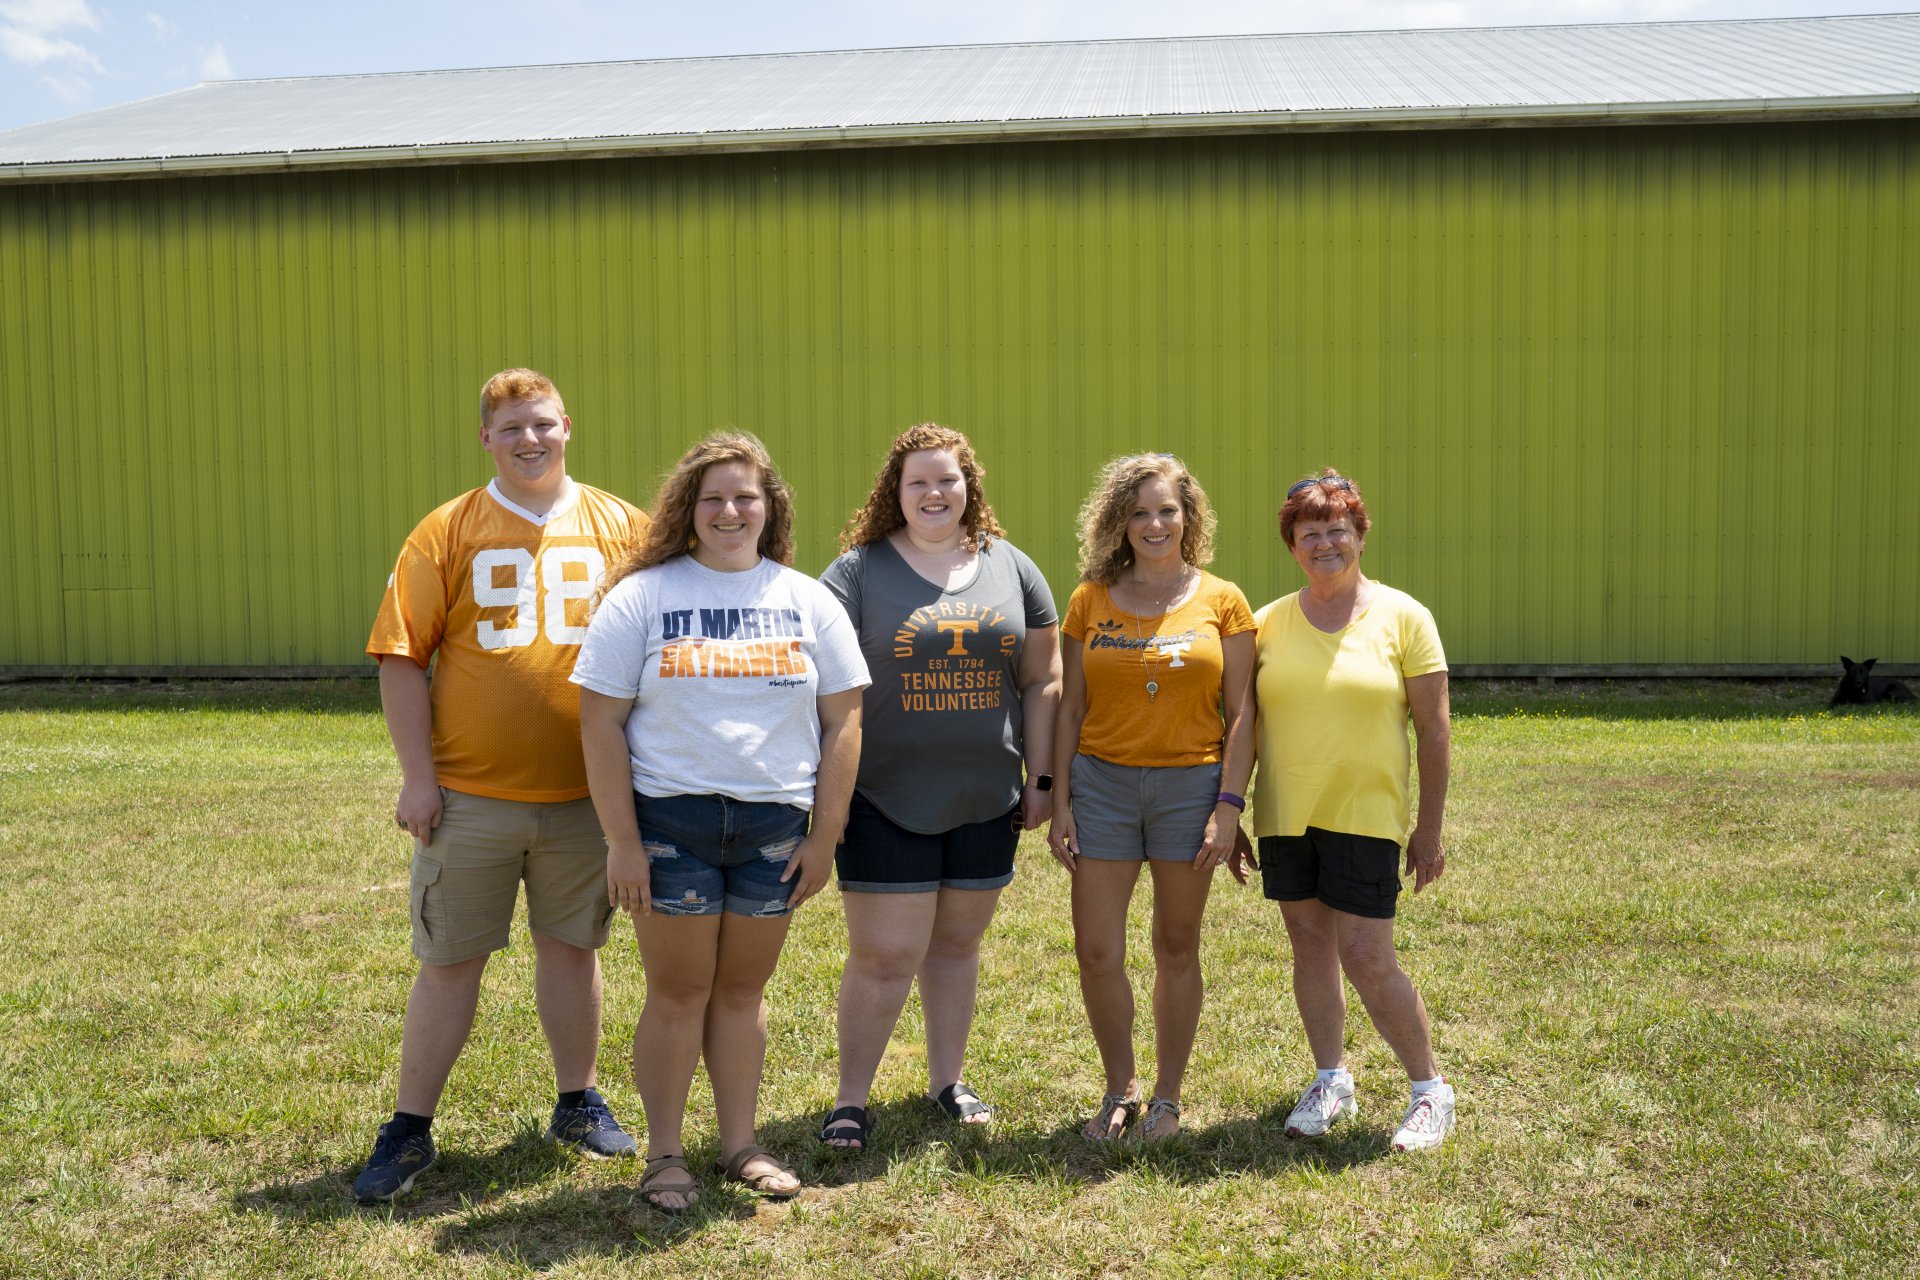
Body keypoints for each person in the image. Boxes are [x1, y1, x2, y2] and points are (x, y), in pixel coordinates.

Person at [356, 368, 649, 1203]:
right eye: (512, 427)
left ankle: (576, 1098)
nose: (530, 439)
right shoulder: (447, 529)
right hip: (471, 796)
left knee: (574, 949)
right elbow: (403, 658)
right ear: (486, 438)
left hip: (586, 797)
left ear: (569, 427)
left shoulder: (621, 526)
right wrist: (418, 777)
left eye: (543, 424)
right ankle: (410, 1128)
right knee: (450, 961)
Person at [574, 432, 868, 1213]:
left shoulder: (808, 600)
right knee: (678, 992)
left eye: (746, 497)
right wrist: (623, 845)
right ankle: (665, 1154)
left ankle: (740, 1144)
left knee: (741, 993)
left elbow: (844, 722)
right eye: (714, 498)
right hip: (672, 824)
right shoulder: (641, 597)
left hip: (774, 828)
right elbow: (598, 724)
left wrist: (824, 837)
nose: (730, 511)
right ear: (688, 510)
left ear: (770, 507)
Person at [815, 425, 1062, 1151]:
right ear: (895, 493)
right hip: (881, 796)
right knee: (886, 955)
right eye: (918, 482)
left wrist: (1040, 778)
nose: (934, 493)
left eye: (947, 480)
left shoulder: (1011, 567)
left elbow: (1044, 679)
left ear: (969, 487)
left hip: (986, 796)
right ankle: (850, 1100)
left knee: (957, 945)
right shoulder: (856, 573)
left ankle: (946, 1080)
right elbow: (821, 683)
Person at [1235, 469, 1455, 1153]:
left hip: (1366, 813)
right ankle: (1331, 1079)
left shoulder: (1404, 616)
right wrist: (1229, 811)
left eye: (1338, 529)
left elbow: (1435, 730)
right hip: (1285, 814)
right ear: (1292, 545)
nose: (1325, 542)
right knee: (1310, 946)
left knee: (1366, 953)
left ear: (1360, 534)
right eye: (1310, 533)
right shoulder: (1266, 623)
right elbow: (1243, 723)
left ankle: (1430, 1091)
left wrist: (1428, 829)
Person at [1047, 454, 1255, 1143]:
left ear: (1188, 518)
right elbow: (1069, 704)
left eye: (1167, 510)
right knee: (1096, 949)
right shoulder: (1090, 598)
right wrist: (1062, 800)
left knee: (1175, 944)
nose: (1154, 523)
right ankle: (1119, 1088)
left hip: (1189, 787)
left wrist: (1228, 805)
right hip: (1101, 784)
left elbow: (1244, 713)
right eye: (1139, 512)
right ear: (1119, 523)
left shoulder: (1223, 600)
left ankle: (1166, 1100)